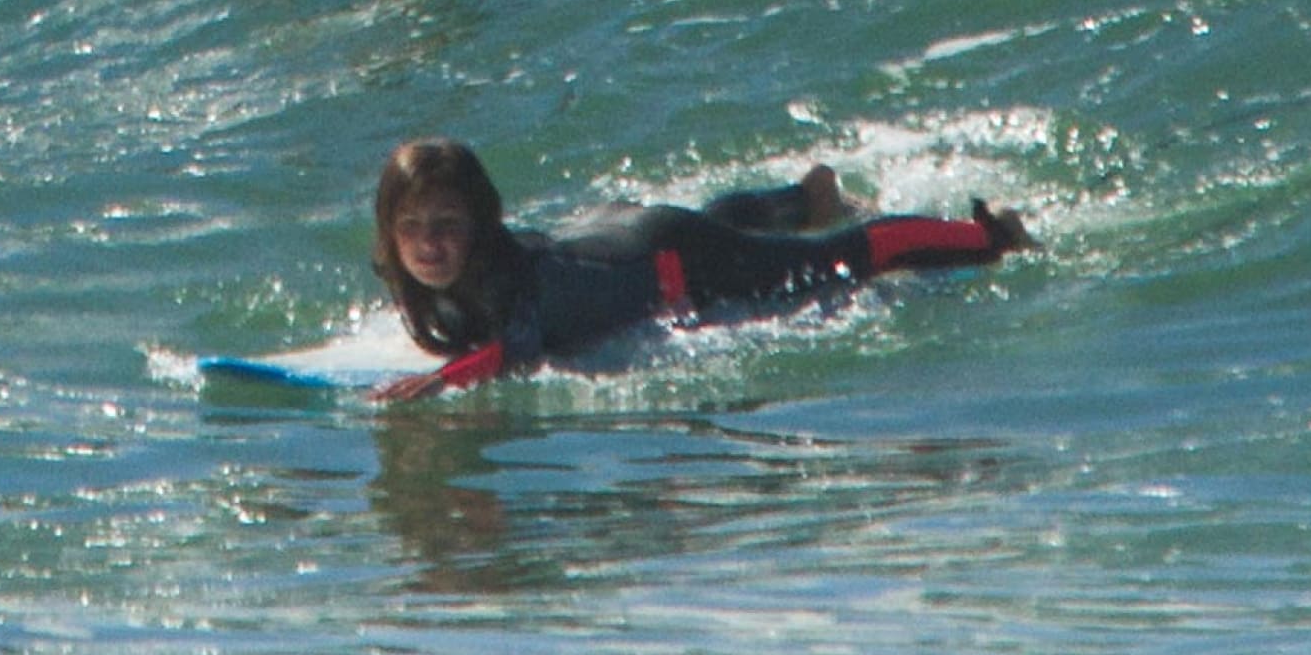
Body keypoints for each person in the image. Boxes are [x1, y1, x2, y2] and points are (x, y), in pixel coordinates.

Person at [367, 136, 1028, 402]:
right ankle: (805, 199)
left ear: (480, 227)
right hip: (615, 235)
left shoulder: (506, 277)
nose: (429, 246)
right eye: (412, 229)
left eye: (447, 227)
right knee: (718, 217)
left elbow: (519, 347)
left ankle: (985, 233)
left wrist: (440, 382)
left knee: (835, 263)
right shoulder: (432, 275)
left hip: (676, 260)